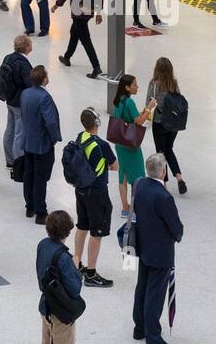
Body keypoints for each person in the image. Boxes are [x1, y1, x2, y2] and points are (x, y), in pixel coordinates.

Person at [132, 152, 184, 344]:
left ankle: (140, 327)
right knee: (155, 294)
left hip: (143, 246)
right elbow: (175, 226)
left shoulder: (139, 185)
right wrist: (179, 234)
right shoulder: (164, 196)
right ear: (163, 172)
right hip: (160, 251)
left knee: (142, 287)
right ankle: (153, 339)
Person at [70, 107, 117, 288]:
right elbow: (115, 166)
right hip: (97, 193)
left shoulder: (80, 138)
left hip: (80, 189)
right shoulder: (102, 144)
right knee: (97, 232)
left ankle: (77, 262)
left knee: (82, 225)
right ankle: (91, 273)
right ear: (97, 123)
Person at [36, 210, 83, 344]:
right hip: (61, 314)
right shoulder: (64, 257)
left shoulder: (43, 245)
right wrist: (75, 267)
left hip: (45, 307)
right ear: (68, 231)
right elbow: (74, 289)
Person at [20, 65, 61, 223]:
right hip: (42, 144)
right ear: (44, 78)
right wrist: (55, 137)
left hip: (28, 140)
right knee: (40, 177)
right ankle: (41, 211)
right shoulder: (45, 98)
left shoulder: (25, 93)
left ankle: (29, 207)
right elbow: (50, 122)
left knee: (28, 175)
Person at [111, 73, 155, 214]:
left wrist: (142, 112)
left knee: (123, 174)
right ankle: (136, 208)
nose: (137, 87)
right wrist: (149, 107)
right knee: (138, 176)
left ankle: (125, 207)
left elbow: (131, 116)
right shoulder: (129, 102)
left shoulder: (118, 100)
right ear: (127, 87)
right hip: (130, 144)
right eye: (135, 84)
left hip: (120, 143)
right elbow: (139, 121)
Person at [54, 0, 104, 77]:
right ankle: (67, 57)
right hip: (89, 11)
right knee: (74, 32)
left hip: (79, 13)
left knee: (86, 40)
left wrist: (56, 5)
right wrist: (98, 12)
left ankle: (96, 67)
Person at [146, 57, 188, 193]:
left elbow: (148, 103)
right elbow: (179, 101)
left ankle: (163, 184)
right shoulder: (173, 84)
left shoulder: (154, 84)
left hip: (159, 123)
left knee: (161, 153)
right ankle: (179, 177)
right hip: (174, 124)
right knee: (169, 149)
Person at [0, 34, 33, 170]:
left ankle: (9, 160)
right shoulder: (23, 64)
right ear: (26, 47)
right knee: (20, 133)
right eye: (30, 44)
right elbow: (29, 84)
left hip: (10, 99)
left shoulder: (9, 57)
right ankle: (18, 163)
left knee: (10, 129)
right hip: (20, 102)